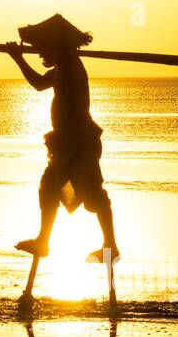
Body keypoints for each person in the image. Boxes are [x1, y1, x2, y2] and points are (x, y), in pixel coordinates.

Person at [7, 13, 119, 264]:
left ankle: (110, 246)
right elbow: (38, 83)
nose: (40, 54)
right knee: (48, 187)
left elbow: (46, 89)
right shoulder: (62, 67)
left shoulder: (69, 67)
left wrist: (17, 58)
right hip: (67, 143)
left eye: (43, 49)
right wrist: (18, 58)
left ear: (57, 46)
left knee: (92, 194)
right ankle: (43, 241)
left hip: (79, 142)